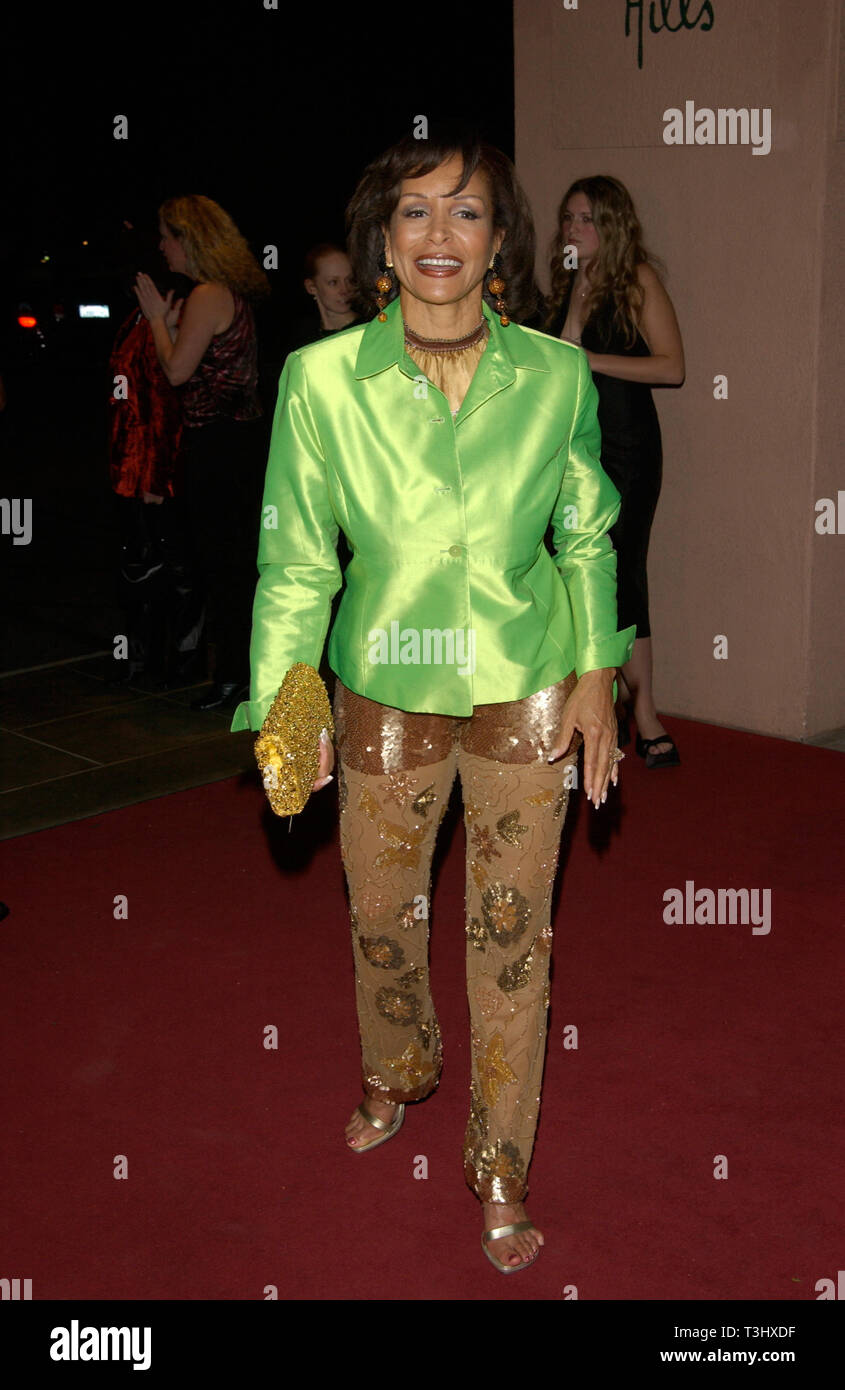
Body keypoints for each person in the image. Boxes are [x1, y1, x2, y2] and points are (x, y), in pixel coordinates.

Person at [231, 134, 635, 1273]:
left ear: (499, 240)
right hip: (384, 694)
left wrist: (599, 672)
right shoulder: (321, 382)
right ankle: (395, 1067)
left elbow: (587, 532)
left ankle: (500, 1160)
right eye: (413, 213)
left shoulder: (555, 376)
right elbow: (298, 565)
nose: (439, 236)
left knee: (512, 940)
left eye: (465, 213)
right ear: (382, 244)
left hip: (524, 685)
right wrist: (288, 713)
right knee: (381, 916)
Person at [544, 176, 685, 768]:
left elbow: (672, 366)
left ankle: (644, 708)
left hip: (627, 446)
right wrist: (572, 316)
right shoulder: (564, 285)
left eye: (586, 219)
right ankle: (590, 700)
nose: (574, 229)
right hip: (574, 448)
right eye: (570, 219)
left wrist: (588, 357)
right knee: (575, 573)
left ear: (612, 225)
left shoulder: (639, 281)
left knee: (625, 570)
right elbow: (556, 365)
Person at [134, 195, 271, 711]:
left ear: (190, 239)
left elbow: (176, 373)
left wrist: (154, 321)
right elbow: (204, 366)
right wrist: (170, 327)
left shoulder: (210, 293)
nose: (162, 246)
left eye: (168, 235)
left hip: (220, 447)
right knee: (233, 564)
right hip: (233, 445)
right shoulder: (223, 293)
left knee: (226, 566)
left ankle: (236, 677)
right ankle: (241, 673)